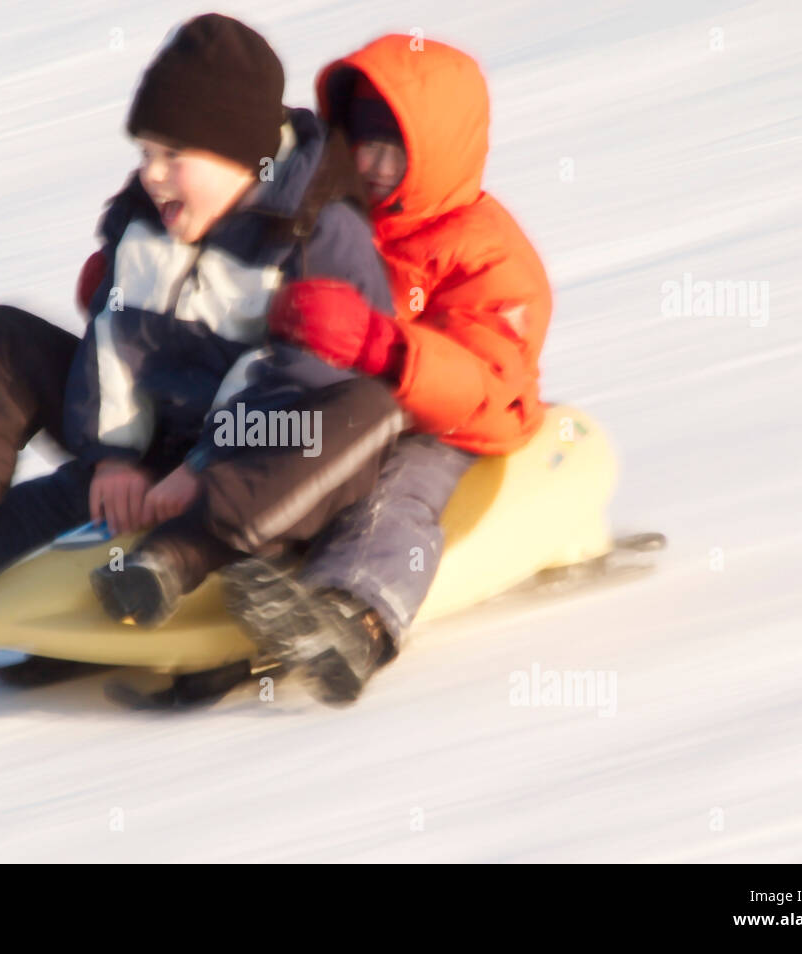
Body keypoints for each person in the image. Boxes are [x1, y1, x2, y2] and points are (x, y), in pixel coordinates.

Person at [0, 15, 398, 611]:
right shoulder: (146, 218)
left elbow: (301, 378)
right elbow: (114, 339)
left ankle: (178, 558)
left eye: (174, 154)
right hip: (155, 448)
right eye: (146, 151)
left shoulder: (317, 234)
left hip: (258, 466)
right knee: (2, 335)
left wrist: (202, 467)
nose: (151, 173)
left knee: (363, 409)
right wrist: (112, 461)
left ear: (241, 155)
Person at [217, 34, 554, 704]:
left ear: (437, 154)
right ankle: (202, 566)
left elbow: (491, 384)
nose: (370, 163)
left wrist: (387, 350)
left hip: (437, 426)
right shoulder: (329, 219)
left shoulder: (488, 256)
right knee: (238, 439)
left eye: (392, 150)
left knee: (393, 496)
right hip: (331, 407)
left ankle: (354, 618)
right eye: (359, 142)